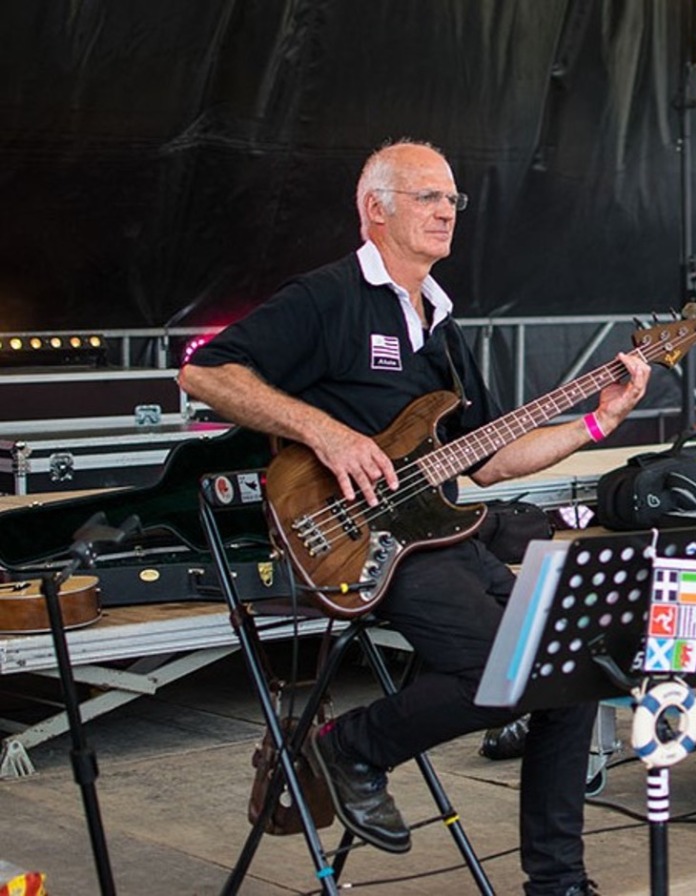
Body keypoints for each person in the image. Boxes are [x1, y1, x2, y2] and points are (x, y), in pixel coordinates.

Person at [179, 140, 647, 896]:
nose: (446, 212)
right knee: (502, 665)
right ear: (376, 209)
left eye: (453, 199)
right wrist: (325, 433)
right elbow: (205, 372)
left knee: (574, 663)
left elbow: (488, 460)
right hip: (350, 534)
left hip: (437, 530)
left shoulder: (444, 329)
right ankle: (351, 747)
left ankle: (557, 883)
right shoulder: (328, 296)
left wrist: (598, 422)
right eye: (428, 196)